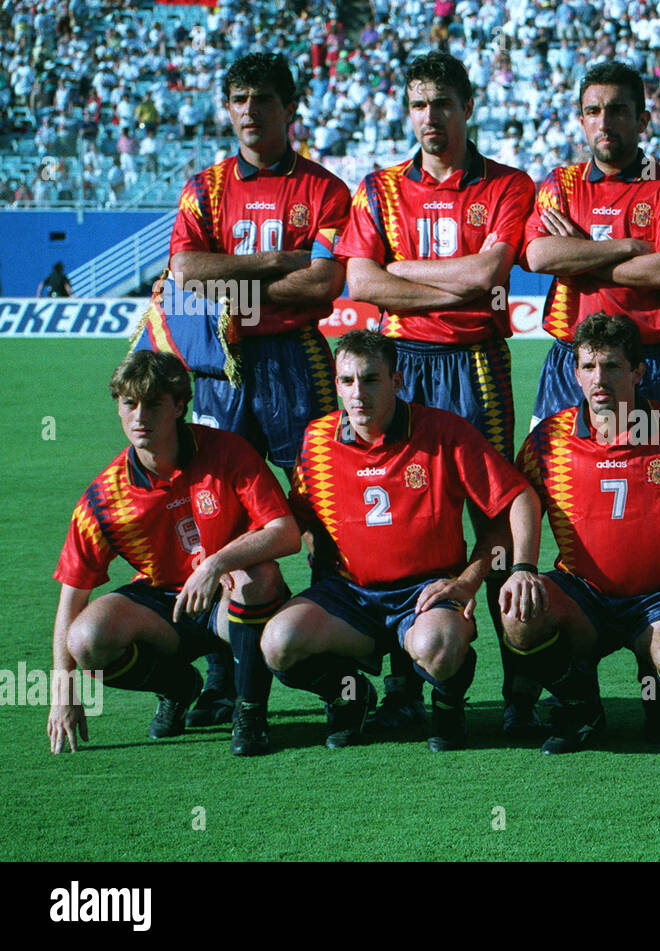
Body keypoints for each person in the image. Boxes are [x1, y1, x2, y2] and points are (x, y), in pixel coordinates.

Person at [337, 51, 537, 737]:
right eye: (419, 104)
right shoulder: (380, 188)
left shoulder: (508, 186)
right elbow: (361, 283)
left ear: (467, 107)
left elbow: (489, 273)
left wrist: (406, 269)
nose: (430, 118)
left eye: (442, 104)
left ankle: (517, 680)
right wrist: (452, 281)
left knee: (498, 506)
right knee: (398, 508)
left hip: (475, 359)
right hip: (403, 363)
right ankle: (403, 684)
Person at [167, 52, 350, 726]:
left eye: (263, 99)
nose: (249, 110)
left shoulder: (326, 189)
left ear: (289, 108)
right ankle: (222, 673)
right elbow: (187, 271)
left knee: (323, 507)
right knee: (216, 512)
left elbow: (326, 283)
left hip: (299, 358)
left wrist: (236, 279)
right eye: (239, 97)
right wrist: (279, 261)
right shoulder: (205, 188)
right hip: (225, 360)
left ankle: (337, 662)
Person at [260, 331, 547, 751]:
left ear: (397, 380)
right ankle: (351, 696)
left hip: (425, 594)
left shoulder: (444, 431)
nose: (357, 394)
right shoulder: (317, 440)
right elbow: (299, 517)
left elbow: (519, 498)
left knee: (439, 645)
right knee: (279, 643)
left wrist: (488, 575)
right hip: (350, 596)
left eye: (371, 380)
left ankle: (447, 704)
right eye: (346, 381)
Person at [505, 313, 660, 752]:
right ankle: (581, 706)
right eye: (589, 367)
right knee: (520, 614)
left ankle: (658, 686)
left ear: (638, 370)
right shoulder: (547, 440)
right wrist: (516, 569)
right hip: (583, 594)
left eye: (613, 366)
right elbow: (518, 507)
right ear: (575, 373)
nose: (600, 379)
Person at [48, 351, 299, 756]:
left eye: (154, 403)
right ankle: (179, 687)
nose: (140, 416)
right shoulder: (102, 500)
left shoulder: (227, 451)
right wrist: (64, 689)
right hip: (164, 607)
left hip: (226, 598)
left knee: (261, 576)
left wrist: (218, 562)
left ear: (180, 405)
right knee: (87, 638)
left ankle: (250, 712)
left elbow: (285, 533)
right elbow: (72, 596)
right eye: (129, 403)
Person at [523, 61, 660, 428]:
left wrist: (577, 255)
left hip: (645, 361)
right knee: (554, 481)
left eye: (618, 110)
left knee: (652, 480)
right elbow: (540, 256)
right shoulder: (561, 183)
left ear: (642, 121)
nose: (604, 122)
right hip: (571, 359)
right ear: (582, 120)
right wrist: (629, 247)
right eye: (593, 111)